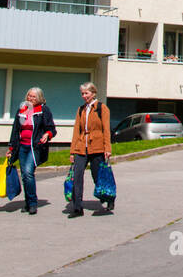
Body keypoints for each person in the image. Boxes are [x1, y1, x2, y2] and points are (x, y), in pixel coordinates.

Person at [6, 87, 57, 215]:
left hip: (35, 147)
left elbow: (52, 128)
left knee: (28, 173)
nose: (31, 98)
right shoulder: (22, 109)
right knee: (24, 175)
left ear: (39, 98)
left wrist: (47, 134)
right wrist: (11, 148)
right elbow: (15, 129)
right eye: (29, 96)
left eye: (34, 96)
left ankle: (33, 203)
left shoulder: (43, 110)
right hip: (22, 146)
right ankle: (28, 202)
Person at [67, 82, 113, 217]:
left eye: (86, 93)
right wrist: (72, 151)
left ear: (93, 93)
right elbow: (76, 130)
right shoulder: (81, 110)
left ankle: (109, 198)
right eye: (82, 93)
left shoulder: (101, 108)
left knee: (97, 175)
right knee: (77, 175)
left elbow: (106, 129)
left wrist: (107, 148)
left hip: (97, 146)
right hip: (81, 147)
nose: (84, 96)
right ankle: (77, 207)